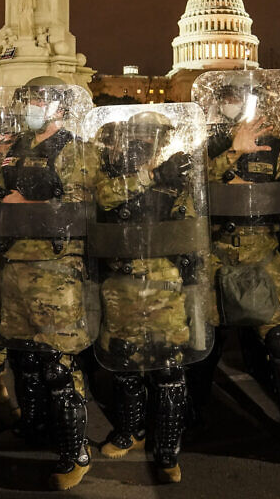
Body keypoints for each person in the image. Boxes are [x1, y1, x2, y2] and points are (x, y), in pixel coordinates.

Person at [193, 72, 280, 462]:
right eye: (226, 96)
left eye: (239, 96)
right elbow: (191, 188)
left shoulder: (279, 150)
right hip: (212, 254)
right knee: (204, 341)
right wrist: (231, 154)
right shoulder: (206, 145)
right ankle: (194, 414)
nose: (232, 102)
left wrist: (248, 192)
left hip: (260, 254)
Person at [0, 76, 93, 491]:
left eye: (34, 101)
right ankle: (34, 428)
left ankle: (74, 451)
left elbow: (79, 209)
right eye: (25, 100)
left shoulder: (73, 149)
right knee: (24, 359)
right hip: (14, 266)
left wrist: (24, 205)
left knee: (57, 364)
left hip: (55, 270)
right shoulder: (14, 153)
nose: (27, 107)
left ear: (58, 108)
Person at [88, 109, 210, 482]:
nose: (144, 143)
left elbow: (192, 222)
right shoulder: (113, 175)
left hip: (165, 284)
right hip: (123, 284)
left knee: (169, 368)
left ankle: (168, 447)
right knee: (125, 366)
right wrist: (151, 175)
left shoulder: (180, 178)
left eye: (151, 136)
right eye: (138, 136)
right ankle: (132, 431)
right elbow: (105, 198)